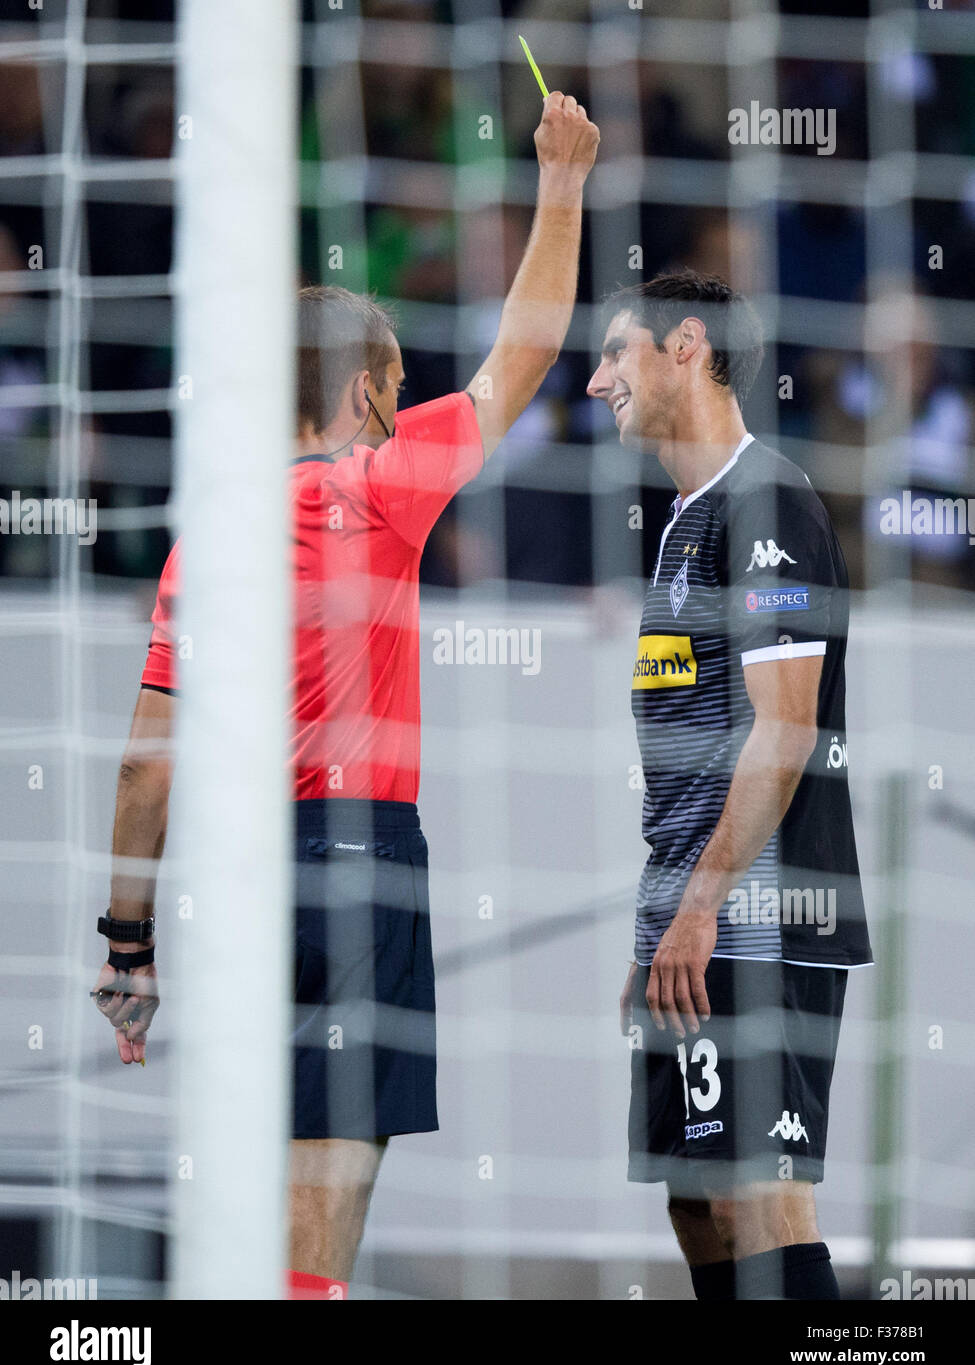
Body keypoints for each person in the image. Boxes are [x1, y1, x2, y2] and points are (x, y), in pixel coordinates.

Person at [91, 92, 599, 1299]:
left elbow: (143, 767)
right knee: (324, 1200)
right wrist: (564, 183)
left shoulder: (201, 539)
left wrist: (127, 948)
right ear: (372, 391)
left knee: (252, 1181)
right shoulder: (378, 483)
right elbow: (522, 356)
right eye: (401, 379)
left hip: (235, 873)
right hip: (359, 851)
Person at [587, 269, 872, 1301]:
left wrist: (700, 903)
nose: (593, 381)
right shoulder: (678, 525)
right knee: (696, 1199)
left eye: (614, 351)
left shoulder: (768, 499)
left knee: (761, 1195)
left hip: (767, 911)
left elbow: (784, 728)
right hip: (694, 917)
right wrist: (666, 914)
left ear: (686, 345)